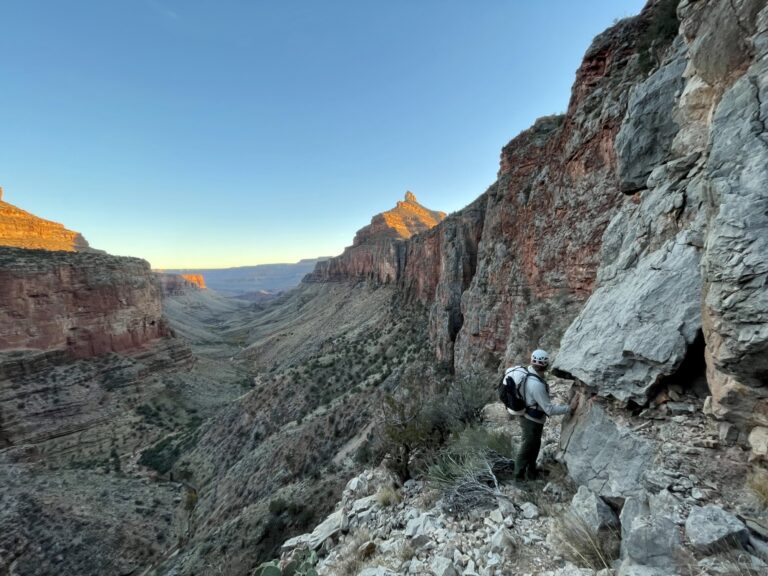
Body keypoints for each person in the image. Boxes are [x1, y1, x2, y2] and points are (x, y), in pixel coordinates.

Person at [505, 349, 575, 481]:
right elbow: (549, 409)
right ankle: (518, 477)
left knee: (534, 445)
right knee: (527, 447)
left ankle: (531, 472)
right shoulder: (536, 384)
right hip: (531, 419)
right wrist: (569, 408)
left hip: (530, 416)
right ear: (545, 365)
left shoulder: (530, 373)